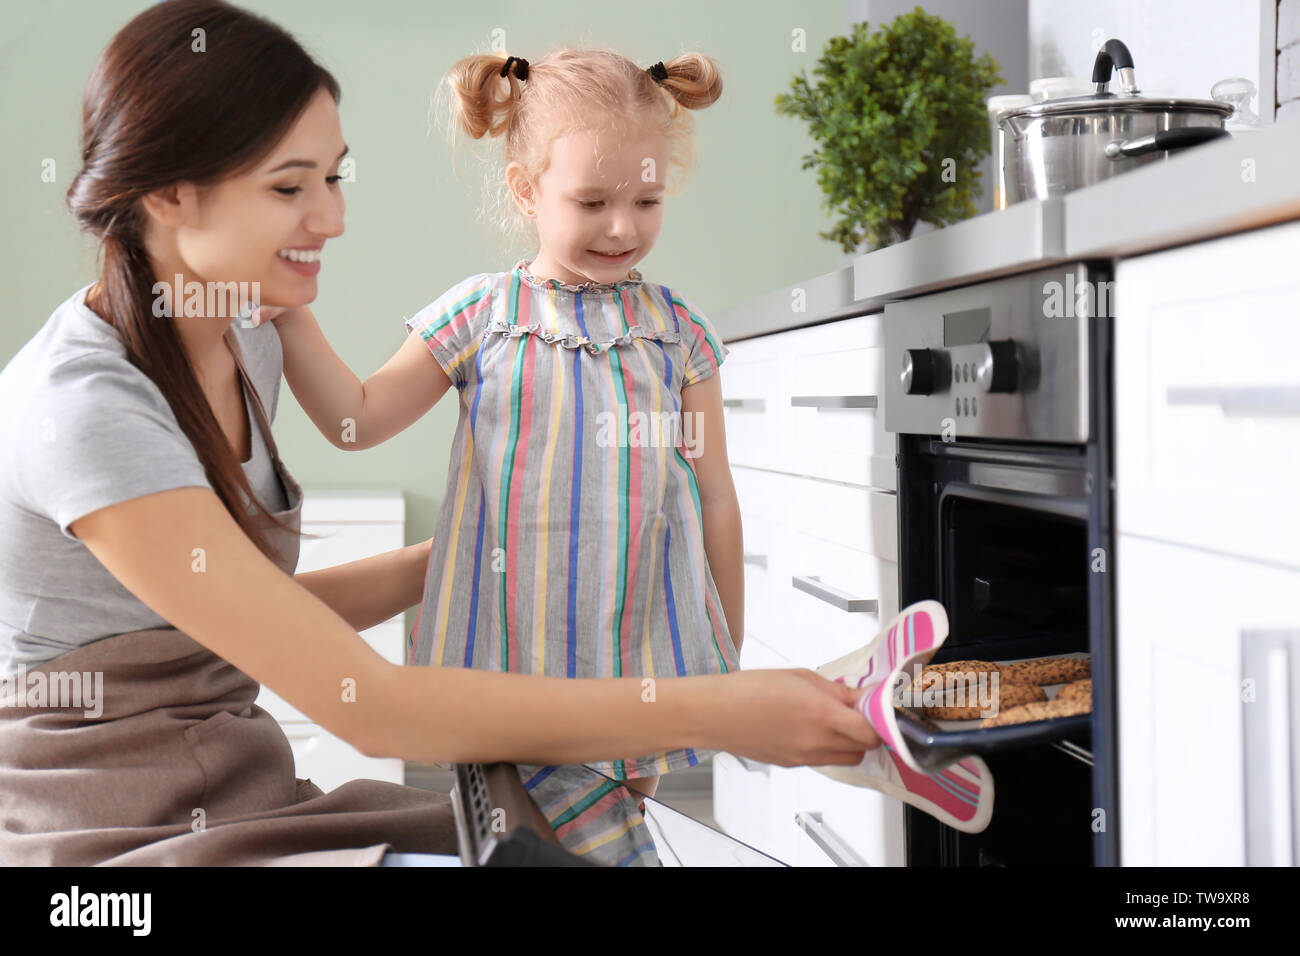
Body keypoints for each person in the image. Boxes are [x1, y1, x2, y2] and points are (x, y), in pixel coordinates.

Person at [0, 0, 879, 867]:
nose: (332, 218)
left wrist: (512, 553)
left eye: (333, 177)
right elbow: (371, 705)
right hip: (107, 834)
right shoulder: (84, 410)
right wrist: (720, 707)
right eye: (289, 186)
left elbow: (235, 624)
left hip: (242, 793)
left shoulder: (245, 330)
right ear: (169, 192)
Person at [259, 46, 772, 865]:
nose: (622, 226)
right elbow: (356, 420)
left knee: (601, 841)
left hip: (636, 665)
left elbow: (714, 497)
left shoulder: (678, 333)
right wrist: (288, 313)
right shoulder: (482, 317)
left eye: (647, 199)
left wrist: (726, 662)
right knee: (527, 836)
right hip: (503, 667)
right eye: (593, 200)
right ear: (526, 191)